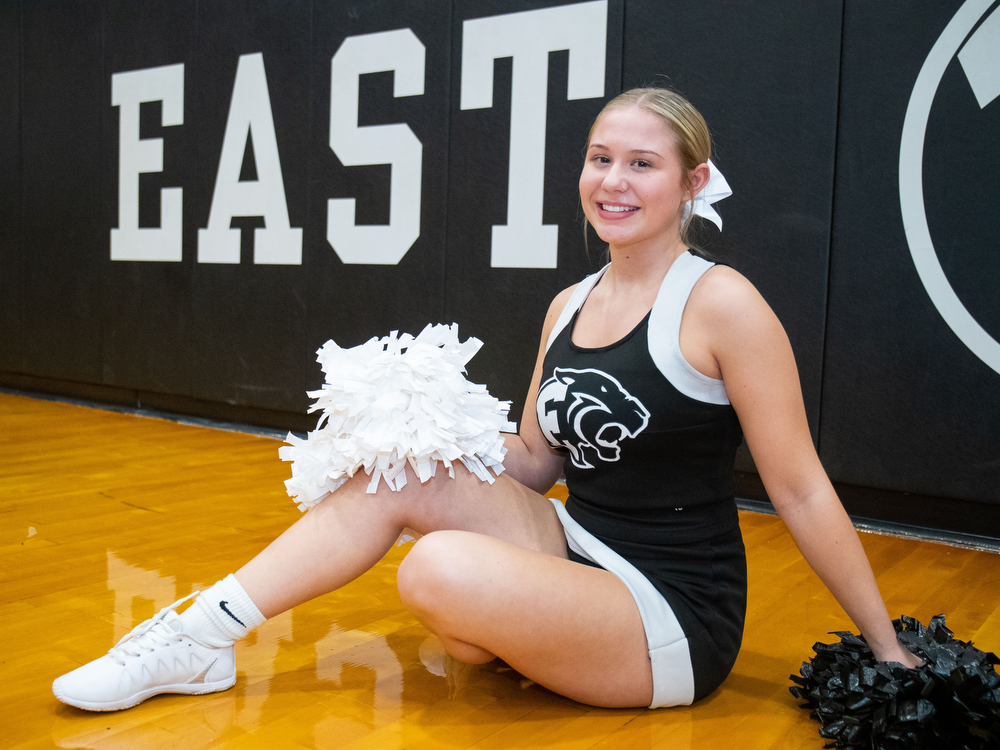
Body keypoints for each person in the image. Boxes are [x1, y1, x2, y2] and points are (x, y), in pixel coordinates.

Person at [52, 87, 921, 713]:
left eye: (643, 164)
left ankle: (541, 633)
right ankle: (199, 635)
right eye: (600, 158)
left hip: (672, 610)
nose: (613, 181)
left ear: (693, 184)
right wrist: (416, 422)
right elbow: (537, 460)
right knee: (405, 477)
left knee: (436, 575)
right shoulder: (571, 304)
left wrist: (885, 648)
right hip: (581, 543)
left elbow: (801, 489)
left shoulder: (723, 303)